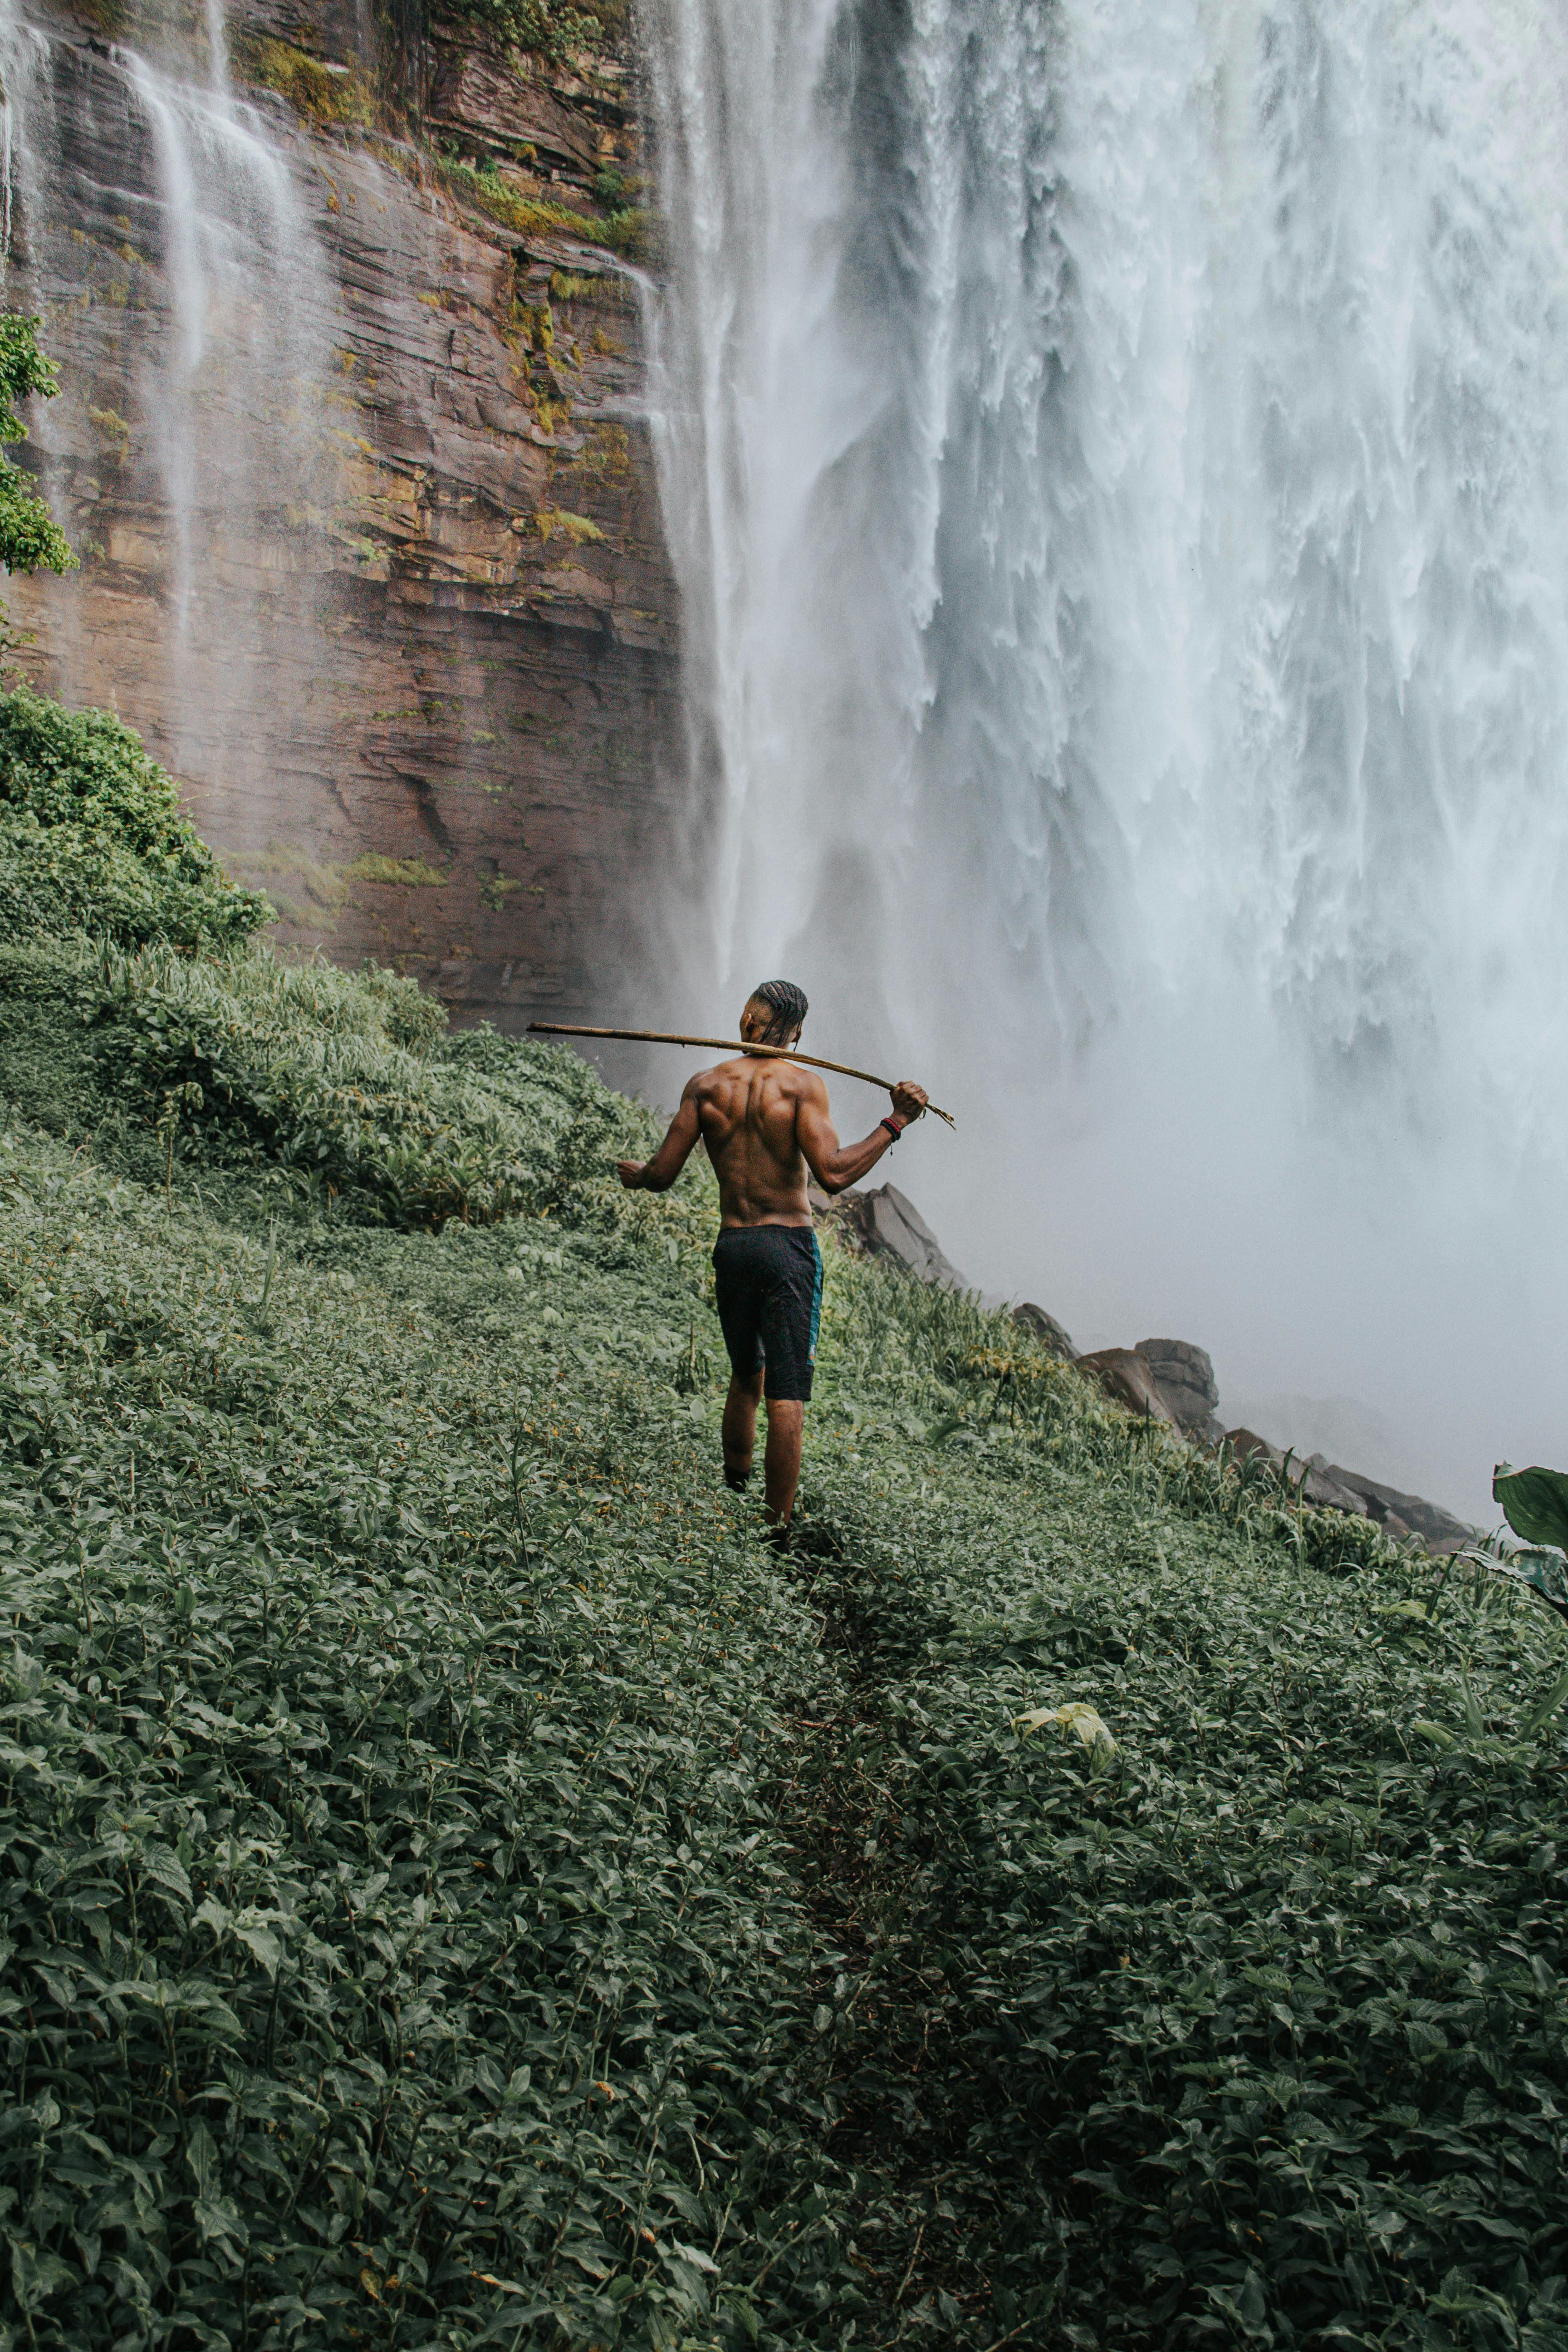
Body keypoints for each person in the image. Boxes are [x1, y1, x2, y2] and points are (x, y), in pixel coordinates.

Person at [617, 980, 929, 1540]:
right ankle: (775, 1533)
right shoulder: (803, 1087)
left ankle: (733, 1490)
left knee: (745, 1376)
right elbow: (833, 1174)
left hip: (734, 1247)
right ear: (799, 1036)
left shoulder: (705, 1086)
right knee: (787, 1392)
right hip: (786, 1248)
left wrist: (637, 1177)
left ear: (746, 1023)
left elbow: (660, 1175)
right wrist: (896, 1123)